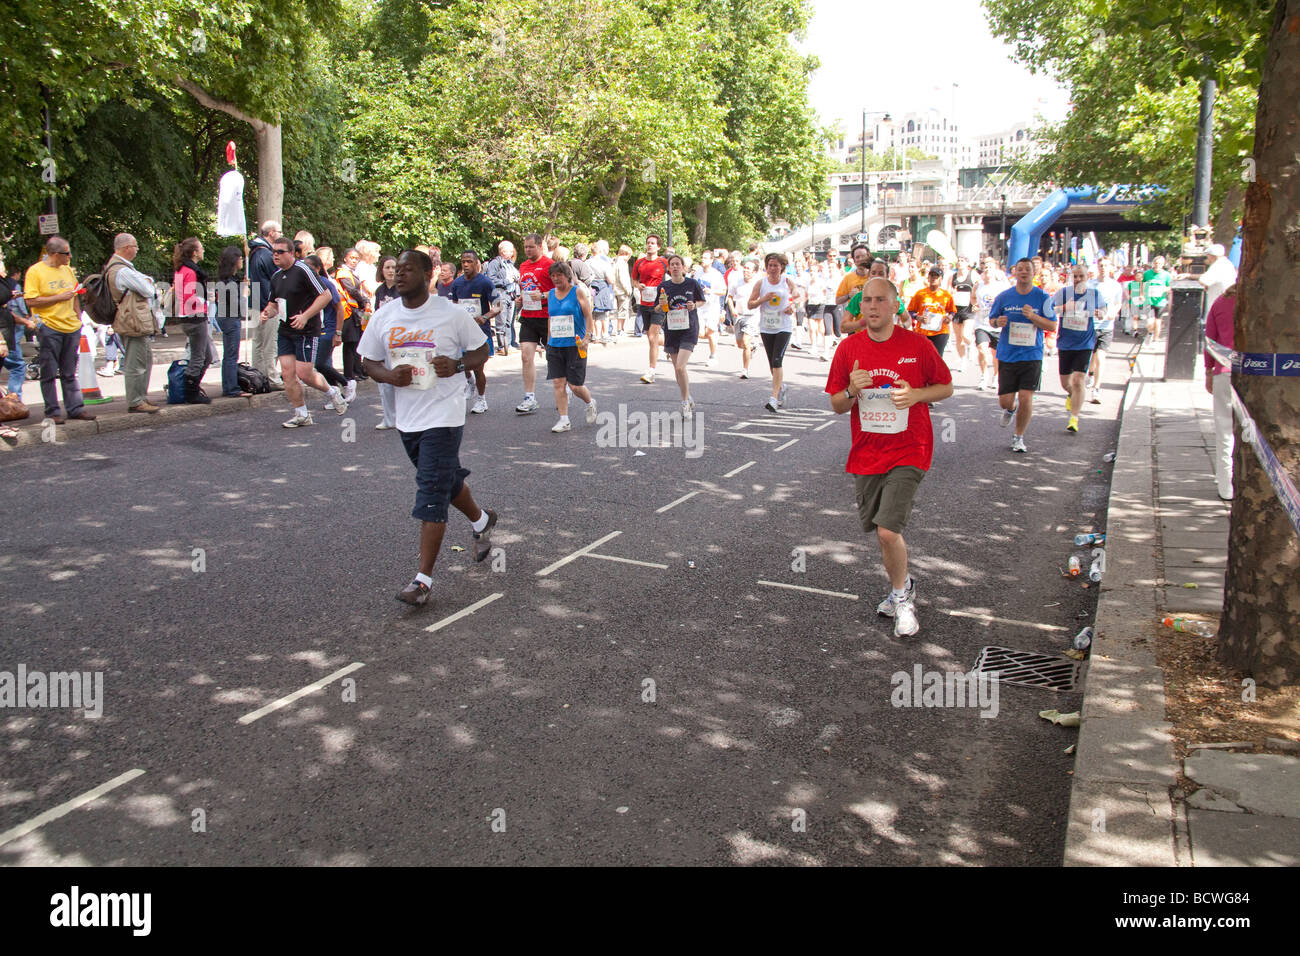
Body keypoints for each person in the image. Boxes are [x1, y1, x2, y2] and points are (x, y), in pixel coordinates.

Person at [358, 249, 496, 606]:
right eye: (396, 270)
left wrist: (459, 364)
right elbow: (368, 360)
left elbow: (483, 350)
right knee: (445, 480)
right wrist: (388, 375)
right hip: (408, 419)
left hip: (445, 415)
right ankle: (481, 521)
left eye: (408, 270)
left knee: (431, 491)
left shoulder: (449, 314)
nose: (399, 275)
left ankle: (422, 581)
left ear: (427, 273)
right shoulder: (384, 316)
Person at [825, 276, 954, 638]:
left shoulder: (917, 346)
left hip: (911, 447)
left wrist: (916, 396)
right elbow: (836, 405)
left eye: (880, 300)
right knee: (879, 532)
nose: (872, 306)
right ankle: (902, 585)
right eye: (866, 300)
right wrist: (852, 388)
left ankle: (902, 599)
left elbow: (946, 386)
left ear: (895, 305)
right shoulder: (849, 349)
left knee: (887, 530)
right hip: (867, 452)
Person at [258, 236, 348, 427]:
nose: (275, 256)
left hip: (306, 330)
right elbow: (274, 304)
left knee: (305, 373)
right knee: (288, 374)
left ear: (291, 253)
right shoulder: (276, 277)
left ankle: (333, 393)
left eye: (280, 252)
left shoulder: (303, 270)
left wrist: (305, 316)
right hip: (285, 330)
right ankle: (301, 414)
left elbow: (326, 296)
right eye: (273, 252)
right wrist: (267, 312)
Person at [989, 257, 1057, 453]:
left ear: (1033, 273)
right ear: (1015, 273)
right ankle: (1010, 409)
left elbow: (1052, 325)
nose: (1024, 272)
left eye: (1028, 269)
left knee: (1026, 397)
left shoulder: (1042, 297)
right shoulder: (1004, 297)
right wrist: (997, 322)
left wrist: (1034, 317)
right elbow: (992, 320)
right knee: (1005, 400)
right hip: (1008, 354)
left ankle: (1018, 437)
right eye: (1020, 269)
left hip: (1031, 354)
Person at [101, 234, 162, 413]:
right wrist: (148, 282)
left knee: (144, 358)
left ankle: (140, 397)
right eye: (135, 246)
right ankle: (136, 400)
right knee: (136, 361)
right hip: (132, 320)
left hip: (131, 318)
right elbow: (148, 289)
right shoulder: (122, 271)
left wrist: (147, 281)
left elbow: (146, 282)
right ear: (127, 247)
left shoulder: (119, 267)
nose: (137, 250)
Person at [1051, 263, 1105, 433]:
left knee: (1078, 380)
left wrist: (1100, 313)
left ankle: (1074, 417)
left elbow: (1104, 310)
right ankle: (1071, 395)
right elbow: (1049, 310)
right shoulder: (1063, 293)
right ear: (1070, 277)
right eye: (1075, 276)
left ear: (1087, 277)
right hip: (1066, 343)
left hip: (1085, 342)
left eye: (1081, 276)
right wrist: (1065, 308)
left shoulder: (1094, 294)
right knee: (1066, 383)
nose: (1078, 279)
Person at [544, 261, 597, 432]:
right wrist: (547, 341)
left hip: (575, 345)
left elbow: (589, 316)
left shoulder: (577, 292)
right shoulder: (551, 294)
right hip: (555, 344)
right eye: (553, 275)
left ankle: (590, 402)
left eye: (559, 275)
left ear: (567, 276)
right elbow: (550, 319)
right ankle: (564, 419)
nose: (556, 278)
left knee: (575, 386)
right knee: (558, 382)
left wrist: (587, 337)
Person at [450, 250, 500, 415]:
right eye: (463, 261)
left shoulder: (485, 282)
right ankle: (469, 382)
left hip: (480, 332)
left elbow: (498, 306)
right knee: (463, 364)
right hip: (462, 332)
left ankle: (481, 399)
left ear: (477, 263)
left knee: (478, 367)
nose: (465, 265)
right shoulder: (457, 283)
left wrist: (485, 317)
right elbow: (453, 305)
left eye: (469, 262)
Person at [747, 252, 798, 412]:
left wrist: (792, 307)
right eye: (770, 265)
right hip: (767, 326)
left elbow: (797, 296)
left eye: (776, 265)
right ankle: (782, 387)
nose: (773, 268)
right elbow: (750, 304)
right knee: (772, 365)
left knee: (777, 361)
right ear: (766, 267)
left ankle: (774, 398)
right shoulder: (761, 284)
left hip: (783, 326)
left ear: (782, 266)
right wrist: (763, 299)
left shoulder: (787, 281)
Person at [658, 254, 706, 418]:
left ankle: (684, 403)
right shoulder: (664, 286)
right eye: (672, 265)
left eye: (678, 264)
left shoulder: (692, 284)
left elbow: (702, 301)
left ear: (683, 268)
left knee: (680, 366)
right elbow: (658, 308)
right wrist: (662, 306)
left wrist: (694, 305)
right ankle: (688, 396)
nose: (675, 267)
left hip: (688, 328)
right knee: (677, 370)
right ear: (669, 268)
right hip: (672, 329)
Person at [513, 233, 553, 414]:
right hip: (529, 316)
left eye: (531, 247)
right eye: (525, 247)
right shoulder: (522, 266)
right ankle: (529, 397)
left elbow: (563, 288)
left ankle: (564, 385)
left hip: (547, 316)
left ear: (540, 246)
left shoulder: (549, 265)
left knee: (554, 356)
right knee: (526, 356)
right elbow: (526, 287)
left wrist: (544, 295)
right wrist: (521, 299)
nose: (528, 250)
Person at [1204, 284, 1236, 501]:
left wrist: (1208, 370)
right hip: (1258, 372)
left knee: (1225, 430)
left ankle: (1225, 485)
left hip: (1224, 370)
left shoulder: (1221, 302)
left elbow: (1211, 339)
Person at [304, 255, 351, 401]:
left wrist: (338, 332)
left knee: (319, 363)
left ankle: (347, 383)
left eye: (310, 267)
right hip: (314, 330)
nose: (307, 271)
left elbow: (340, 309)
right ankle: (338, 396)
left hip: (328, 328)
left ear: (318, 268)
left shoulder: (325, 283)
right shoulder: (305, 284)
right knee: (322, 365)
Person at [212, 245, 252, 398]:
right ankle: (231, 388)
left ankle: (229, 385)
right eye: (240, 257)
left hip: (225, 317)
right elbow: (238, 305)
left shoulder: (226, 280)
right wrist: (244, 292)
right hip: (230, 319)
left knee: (229, 354)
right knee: (231, 354)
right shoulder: (230, 282)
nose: (242, 260)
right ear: (234, 260)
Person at [632, 235, 667, 382]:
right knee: (651, 337)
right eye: (648, 243)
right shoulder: (639, 262)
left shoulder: (664, 262)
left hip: (659, 303)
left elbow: (677, 276)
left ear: (658, 247)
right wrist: (638, 285)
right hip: (644, 302)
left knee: (653, 336)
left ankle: (651, 371)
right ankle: (670, 341)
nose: (650, 245)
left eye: (653, 243)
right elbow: (634, 279)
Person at [907, 266, 957, 363]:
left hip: (940, 332)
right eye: (932, 276)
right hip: (923, 332)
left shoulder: (946, 295)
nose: (933, 278)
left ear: (941, 279)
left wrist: (949, 317)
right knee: (923, 359)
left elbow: (952, 311)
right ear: (928, 278)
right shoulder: (920, 294)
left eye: (936, 276)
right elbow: (910, 311)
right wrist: (918, 317)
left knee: (937, 359)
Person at [972, 259, 1009, 391]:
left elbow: (1008, 300)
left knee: (996, 354)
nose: (987, 269)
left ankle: (996, 375)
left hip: (997, 325)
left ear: (995, 270)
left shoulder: (1002, 286)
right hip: (981, 323)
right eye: (985, 267)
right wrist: (974, 306)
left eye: (990, 267)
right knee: (982, 349)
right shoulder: (978, 285)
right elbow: (973, 299)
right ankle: (984, 376)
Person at [1089, 260, 1122, 403]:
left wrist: (1112, 313)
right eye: (1101, 266)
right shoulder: (1090, 284)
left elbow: (1117, 303)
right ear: (1097, 267)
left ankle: (1096, 388)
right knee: (1091, 356)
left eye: (1106, 265)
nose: (1103, 268)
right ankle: (1090, 373)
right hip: (1091, 326)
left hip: (1106, 326)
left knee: (1100, 357)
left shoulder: (1115, 285)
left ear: (1111, 267)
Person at [483, 240, 520, 355]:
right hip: (500, 294)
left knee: (509, 321)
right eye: (509, 250)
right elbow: (490, 279)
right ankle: (501, 346)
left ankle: (508, 344)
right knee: (501, 320)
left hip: (511, 295)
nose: (511, 252)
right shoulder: (495, 263)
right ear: (502, 251)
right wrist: (506, 281)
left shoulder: (509, 263)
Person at [728, 259, 761, 379]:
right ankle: (752, 348)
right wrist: (733, 310)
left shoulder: (758, 284)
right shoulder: (736, 282)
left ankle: (745, 370)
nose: (745, 270)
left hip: (752, 316)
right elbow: (730, 297)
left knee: (746, 343)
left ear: (755, 272)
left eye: (749, 269)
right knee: (740, 344)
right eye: (745, 268)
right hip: (739, 315)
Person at [949, 258, 976, 372]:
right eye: (959, 260)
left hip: (968, 309)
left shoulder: (972, 275)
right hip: (956, 309)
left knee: (965, 334)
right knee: (958, 338)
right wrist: (952, 293)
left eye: (963, 261)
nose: (960, 263)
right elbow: (948, 290)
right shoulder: (953, 277)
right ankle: (963, 360)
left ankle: (972, 346)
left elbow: (978, 288)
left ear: (967, 263)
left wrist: (976, 302)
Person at [588, 240, 616, 345]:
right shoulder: (604, 263)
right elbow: (610, 279)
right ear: (600, 251)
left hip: (590, 288)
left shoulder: (587, 262)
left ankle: (593, 334)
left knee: (592, 313)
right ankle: (600, 335)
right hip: (602, 288)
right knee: (600, 314)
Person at [1142, 254, 1171, 339]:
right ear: (1153, 264)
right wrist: (1141, 295)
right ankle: (1150, 333)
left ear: (1163, 265)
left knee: (1158, 322)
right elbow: (1142, 285)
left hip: (1160, 302)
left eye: (1159, 263)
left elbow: (1170, 287)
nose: (1157, 265)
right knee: (1150, 322)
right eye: (1155, 263)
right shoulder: (1147, 274)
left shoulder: (1166, 275)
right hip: (1149, 301)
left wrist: (1163, 289)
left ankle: (1155, 339)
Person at [612, 244, 634, 338]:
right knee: (623, 310)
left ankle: (618, 329)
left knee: (618, 310)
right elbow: (623, 278)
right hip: (622, 291)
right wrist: (628, 290)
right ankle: (620, 329)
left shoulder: (614, 261)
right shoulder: (622, 263)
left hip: (615, 290)